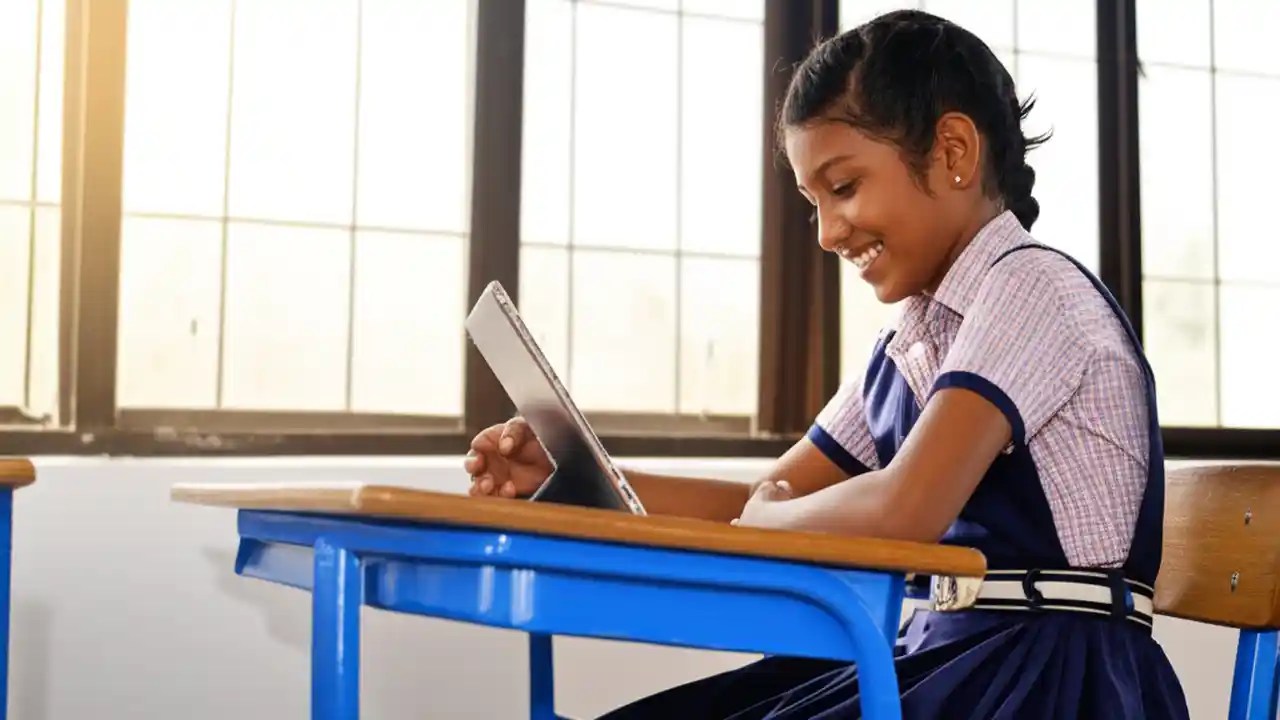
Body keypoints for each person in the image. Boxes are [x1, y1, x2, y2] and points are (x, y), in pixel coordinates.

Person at [464, 9, 1189, 719]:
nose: (825, 233)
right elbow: (760, 498)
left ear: (955, 153)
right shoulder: (914, 341)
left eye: (843, 188)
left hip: (1051, 676)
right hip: (948, 655)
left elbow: (904, 509)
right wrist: (575, 479)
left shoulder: (1032, 290)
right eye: (812, 201)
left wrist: (773, 519)